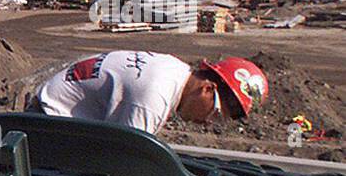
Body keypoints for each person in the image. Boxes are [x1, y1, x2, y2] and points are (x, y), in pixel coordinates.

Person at [27, 51, 268, 135]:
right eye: (216, 114)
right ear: (207, 89)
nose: (207, 123)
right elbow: (128, 165)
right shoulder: (153, 99)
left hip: (55, 117)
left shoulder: (173, 69)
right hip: (48, 128)